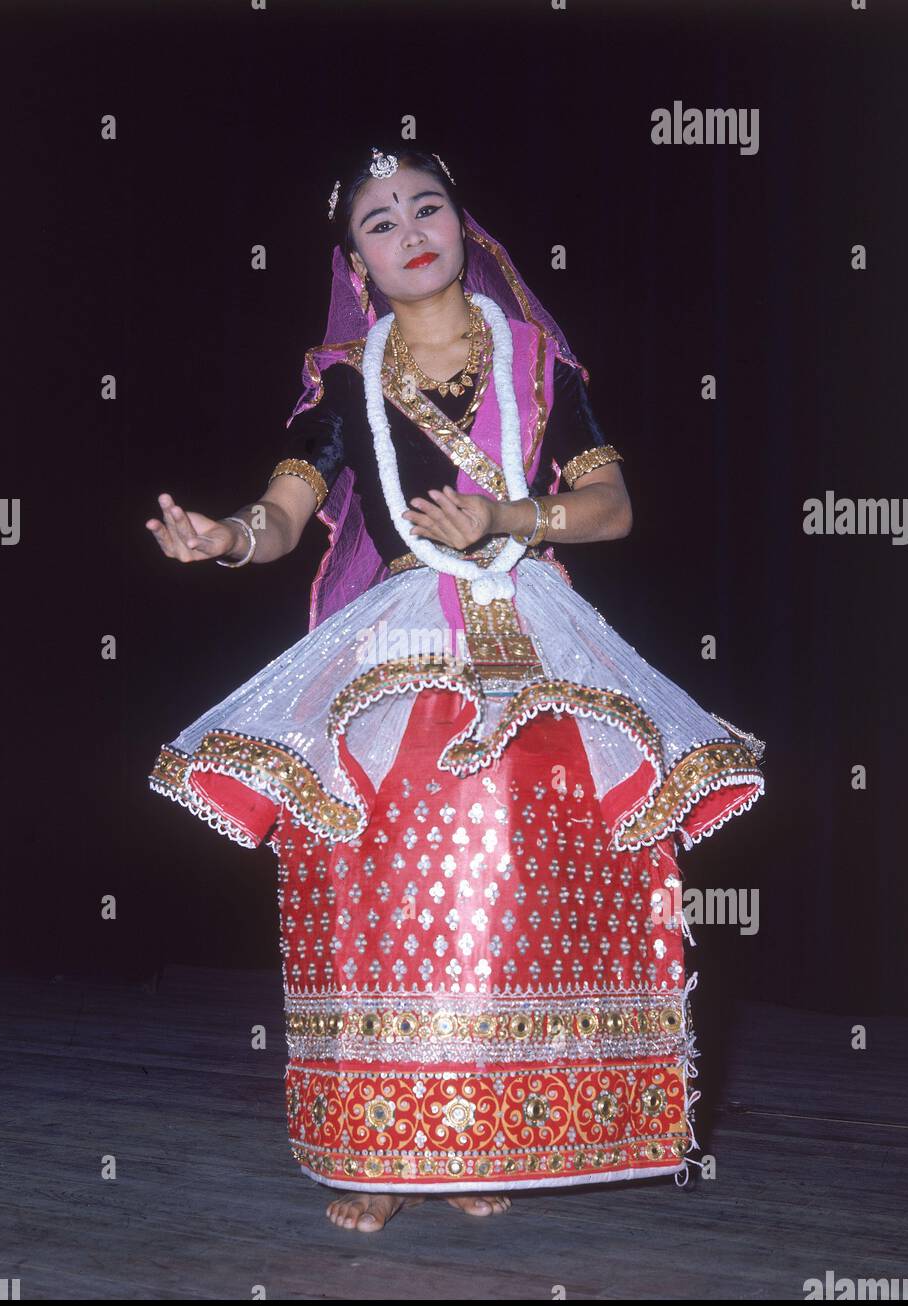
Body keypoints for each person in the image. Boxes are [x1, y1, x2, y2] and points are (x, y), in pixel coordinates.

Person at [145, 144, 767, 1234]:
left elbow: (611, 506)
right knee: (369, 880)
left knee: (511, 888)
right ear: (355, 261)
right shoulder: (342, 378)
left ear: (464, 225)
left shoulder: (535, 365)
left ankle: (486, 1133)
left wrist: (508, 521)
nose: (409, 230)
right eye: (379, 222)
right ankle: (375, 1145)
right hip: (393, 644)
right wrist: (226, 541)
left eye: (425, 205)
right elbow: (286, 514)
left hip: (528, 634)